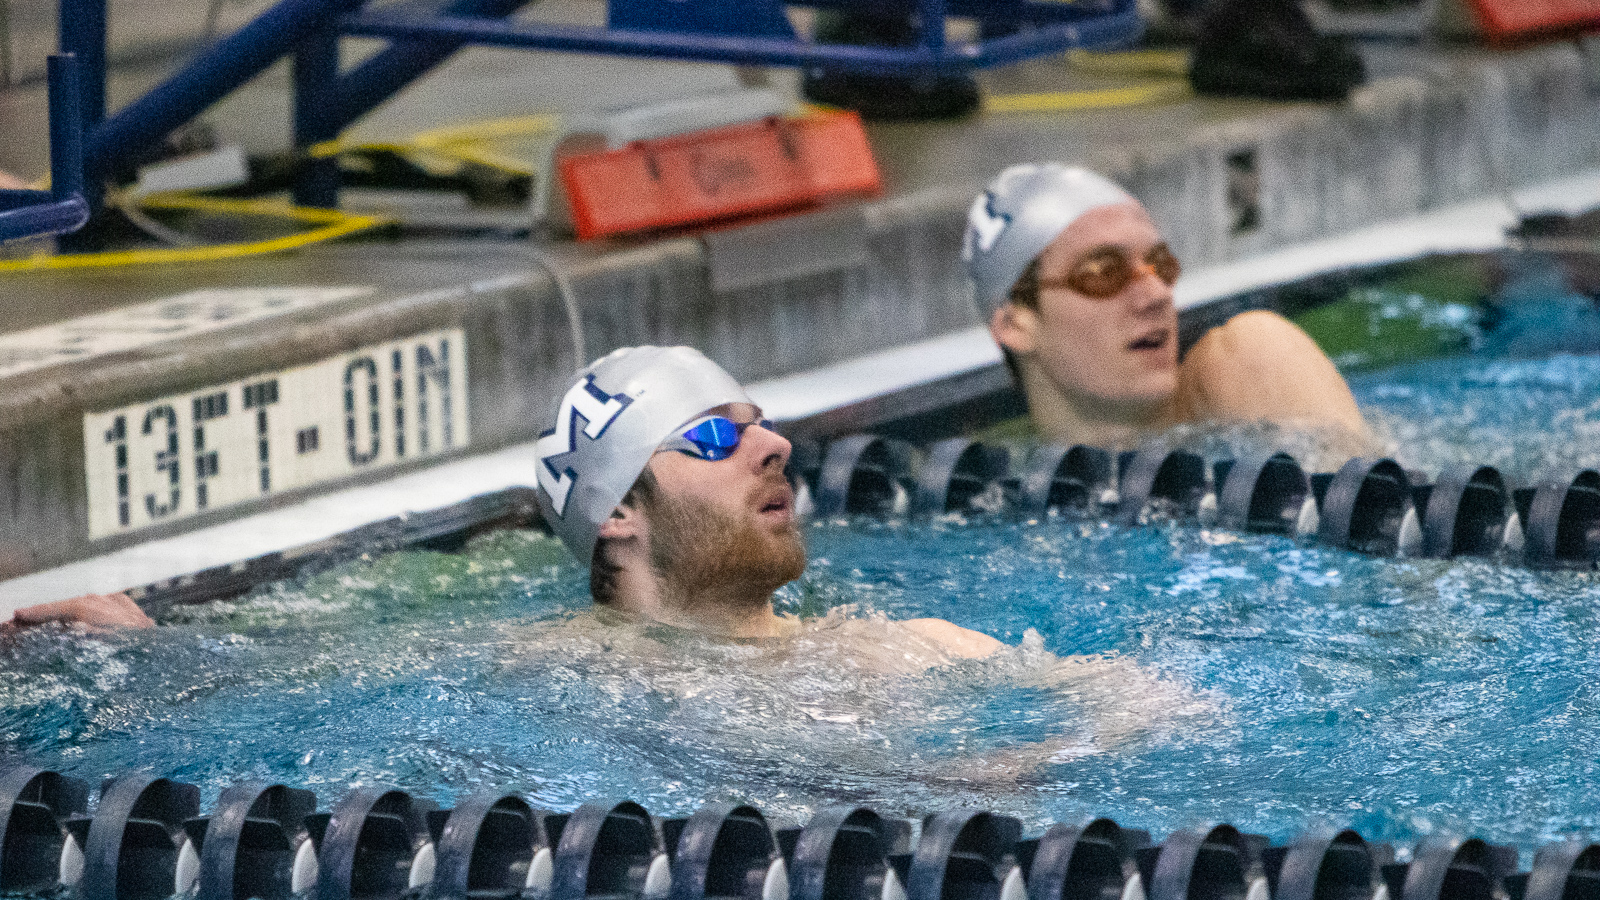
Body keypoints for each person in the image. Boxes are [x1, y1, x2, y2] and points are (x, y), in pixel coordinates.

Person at [533, 344, 1003, 657]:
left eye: (764, 426)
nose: (777, 448)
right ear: (619, 510)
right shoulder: (541, 680)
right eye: (715, 436)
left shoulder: (915, 654)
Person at [963, 162, 1369, 452]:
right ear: (1016, 323)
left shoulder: (1247, 361)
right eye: (1104, 272)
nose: (1157, 295)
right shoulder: (998, 471)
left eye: (1160, 265)